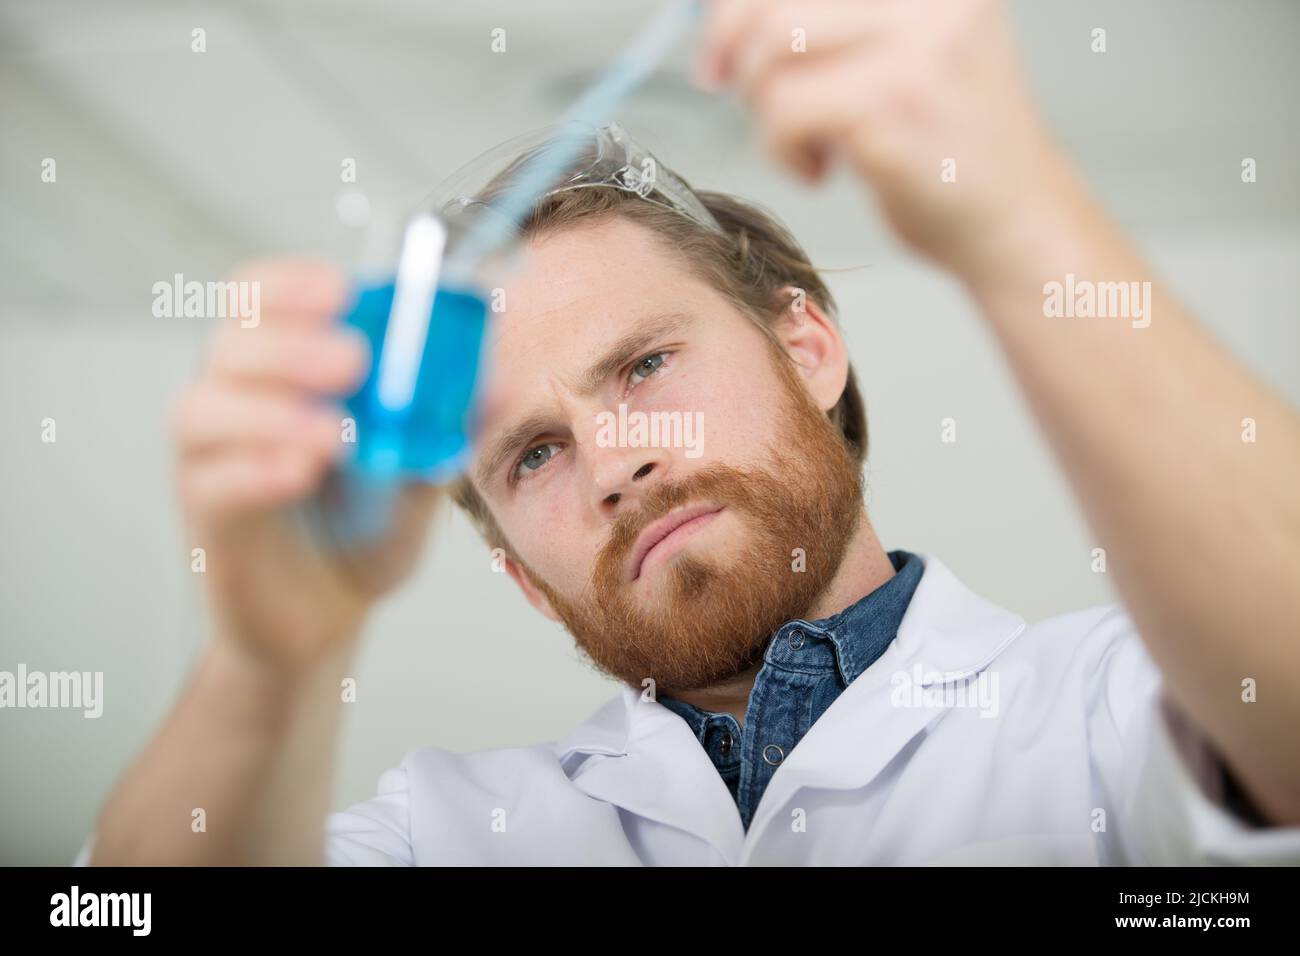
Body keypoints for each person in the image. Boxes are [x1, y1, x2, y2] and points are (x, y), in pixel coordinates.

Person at [80, 0, 1300, 865]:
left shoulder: (1105, 715)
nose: (616, 459)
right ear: (522, 580)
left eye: (647, 362)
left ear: (806, 346)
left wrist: (1014, 207)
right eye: (533, 453)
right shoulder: (442, 831)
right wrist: (268, 663)